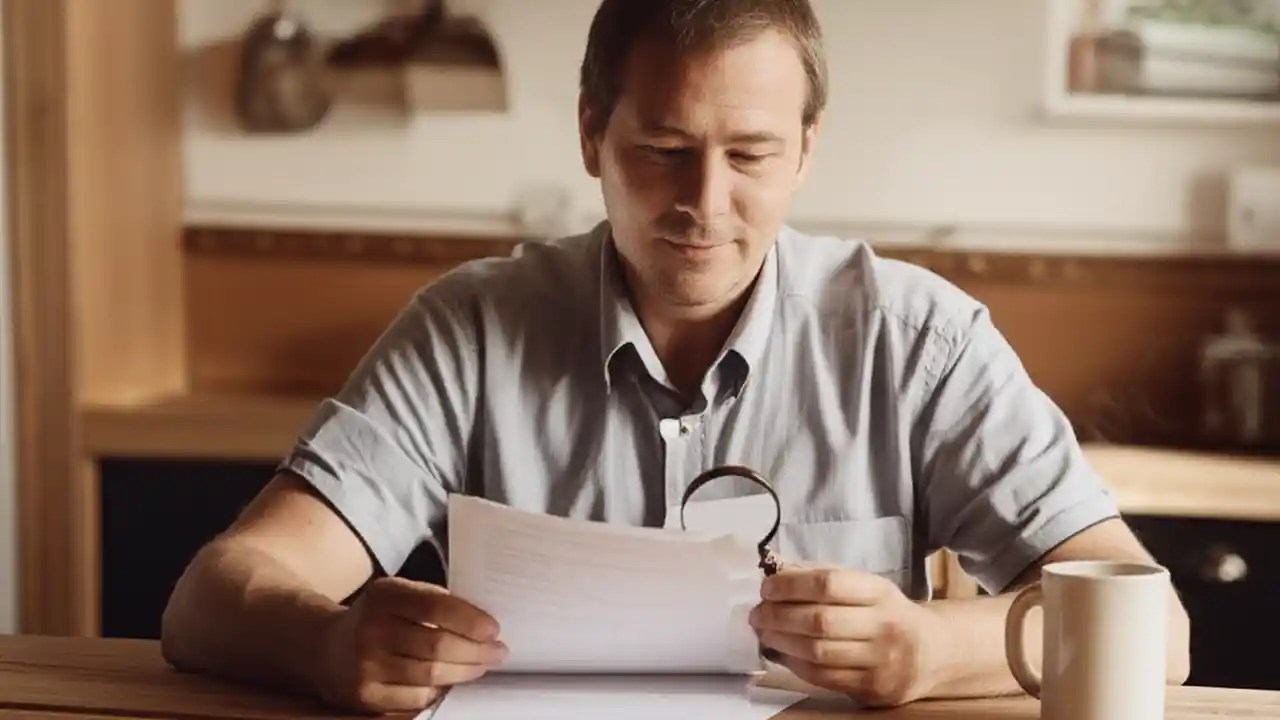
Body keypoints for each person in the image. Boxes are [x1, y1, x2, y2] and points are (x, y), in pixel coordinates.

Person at [161, 0, 1191, 712]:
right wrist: (327, 643)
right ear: (591, 137)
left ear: (805, 150)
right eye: (662, 151)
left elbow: (1160, 632)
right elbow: (213, 597)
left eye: (749, 154)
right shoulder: (466, 331)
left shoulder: (919, 341)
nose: (704, 202)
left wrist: (931, 650)